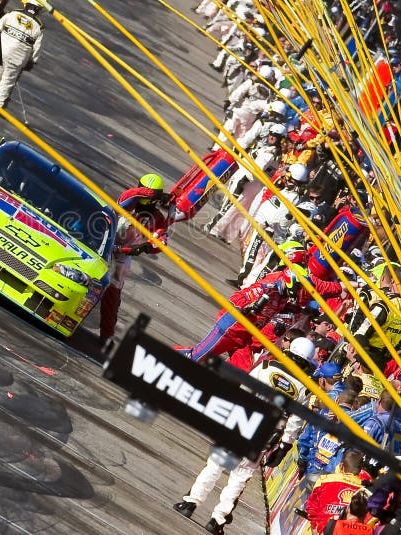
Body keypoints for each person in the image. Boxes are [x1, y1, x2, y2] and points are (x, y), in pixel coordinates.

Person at [172, 346, 315, 534]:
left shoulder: (266, 366)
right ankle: (217, 521)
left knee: (215, 464)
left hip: (243, 421)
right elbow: (295, 422)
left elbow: (244, 390)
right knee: (240, 478)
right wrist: (284, 446)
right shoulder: (305, 389)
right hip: (265, 434)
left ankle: (189, 504)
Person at [98, 174, 169, 345]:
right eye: (146, 194)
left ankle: (106, 336)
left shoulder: (158, 217)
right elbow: (128, 197)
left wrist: (146, 247)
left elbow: (162, 241)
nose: (147, 200)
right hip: (102, 242)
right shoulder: (128, 199)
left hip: (123, 254)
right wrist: (148, 193)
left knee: (113, 292)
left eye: (151, 196)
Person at [0, 1, 43, 115]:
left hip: (1, 51)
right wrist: (32, 62)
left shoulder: (12, 14)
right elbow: (37, 48)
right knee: (7, 81)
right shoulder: (38, 26)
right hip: (18, 58)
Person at [304, 449, 366, 534]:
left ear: (341, 466)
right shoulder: (364, 491)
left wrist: (315, 529)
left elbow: (312, 509)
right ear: (361, 470)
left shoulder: (324, 481)